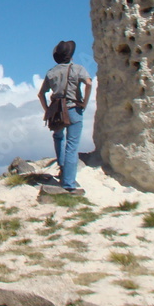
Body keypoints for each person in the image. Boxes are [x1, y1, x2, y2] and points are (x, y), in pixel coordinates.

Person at [38, 40, 92, 194]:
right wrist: (84, 103)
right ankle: (68, 182)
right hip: (74, 108)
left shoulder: (51, 72)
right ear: (71, 56)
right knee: (72, 146)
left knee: (58, 137)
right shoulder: (78, 69)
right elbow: (88, 84)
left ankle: (62, 168)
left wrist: (47, 110)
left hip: (57, 111)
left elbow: (41, 94)